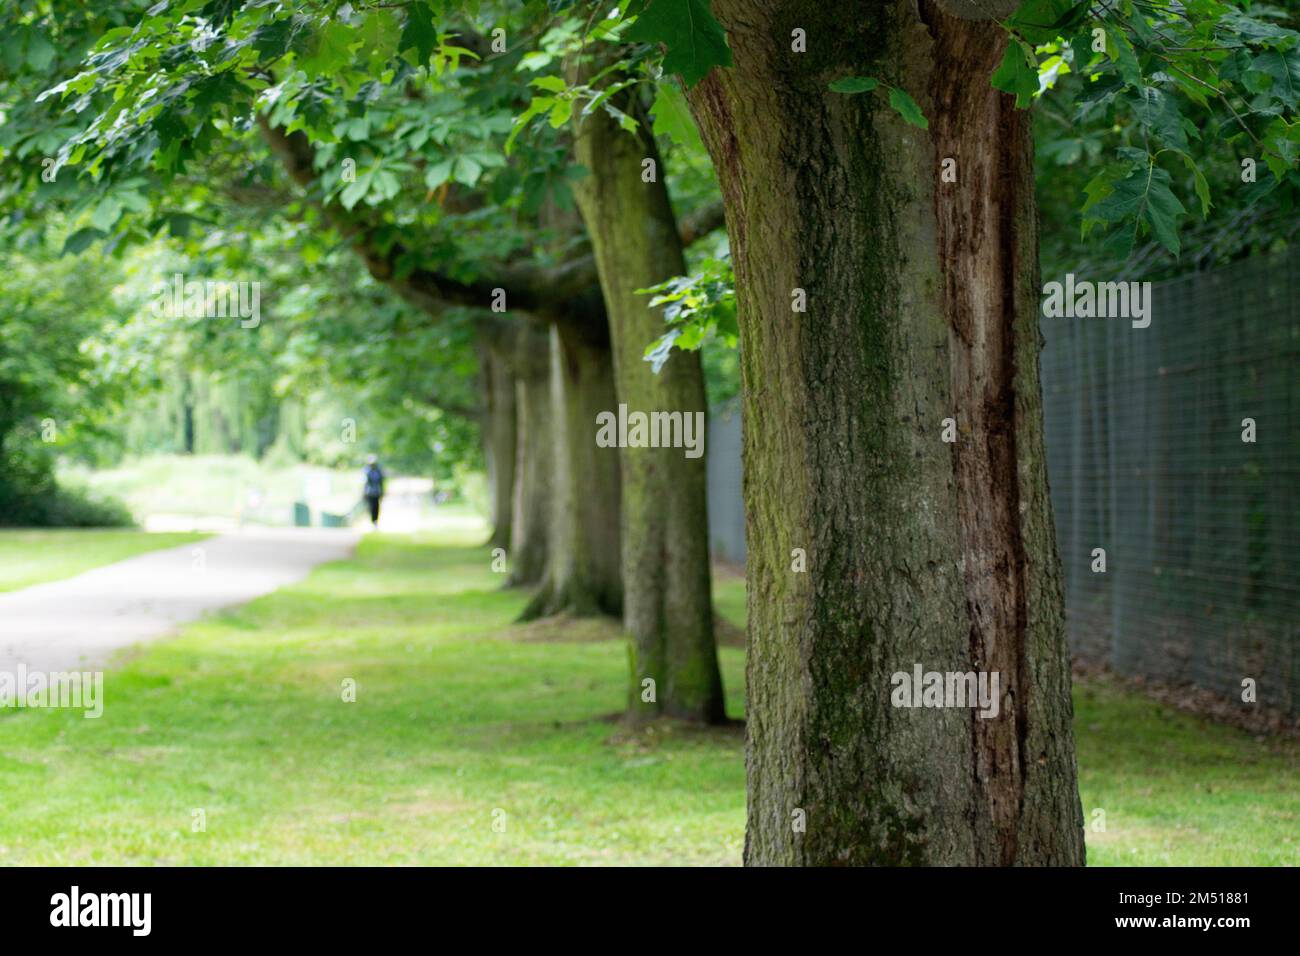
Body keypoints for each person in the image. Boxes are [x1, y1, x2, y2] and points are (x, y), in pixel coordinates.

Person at [362, 455, 385, 527]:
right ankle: (372, 520)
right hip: (369, 492)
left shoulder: (378, 471)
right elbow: (364, 483)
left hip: (377, 492)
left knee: (376, 506)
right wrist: (364, 492)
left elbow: (381, 482)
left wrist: (382, 492)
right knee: (371, 507)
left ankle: (375, 520)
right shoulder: (366, 471)